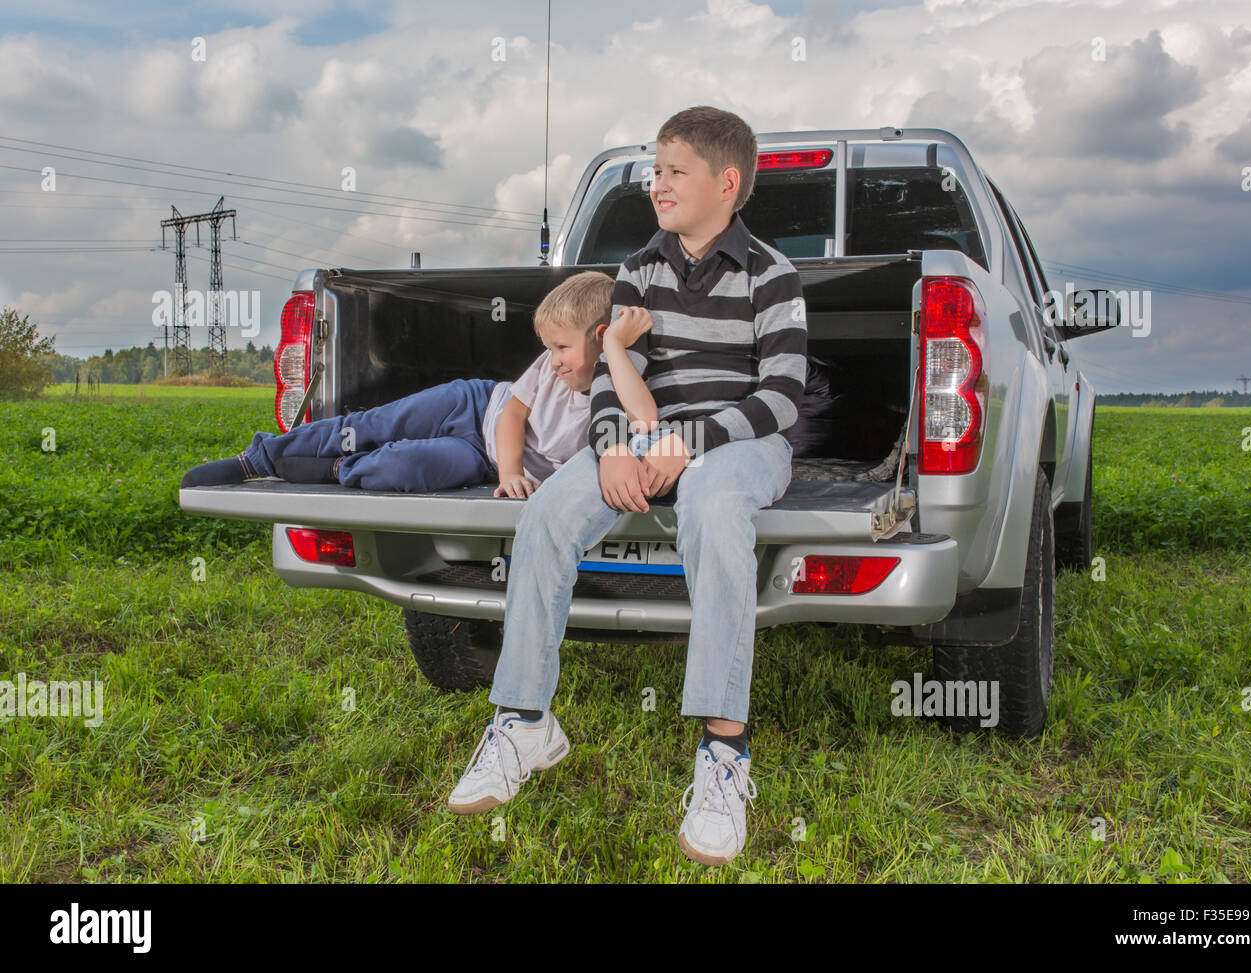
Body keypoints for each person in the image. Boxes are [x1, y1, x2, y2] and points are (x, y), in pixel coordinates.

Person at [447, 106, 807, 867]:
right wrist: (611, 446)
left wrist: (689, 441)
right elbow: (619, 373)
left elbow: (782, 396)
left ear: (727, 182)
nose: (658, 184)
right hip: (642, 440)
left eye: (676, 170)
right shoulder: (637, 269)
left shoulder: (773, 275)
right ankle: (525, 720)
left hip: (740, 445)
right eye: (655, 170)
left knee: (712, 505)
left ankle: (723, 754)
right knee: (547, 511)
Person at [178, 271, 642, 497]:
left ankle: (338, 470)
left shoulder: (614, 399)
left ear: (603, 339)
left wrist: (502, 473)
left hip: (476, 460)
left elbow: (641, 422)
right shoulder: (548, 366)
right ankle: (257, 456)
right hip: (476, 407)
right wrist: (511, 475)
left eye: (562, 348)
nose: (555, 359)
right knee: (373, 424)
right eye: (551, 349)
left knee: (412, 466)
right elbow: (514, 416)